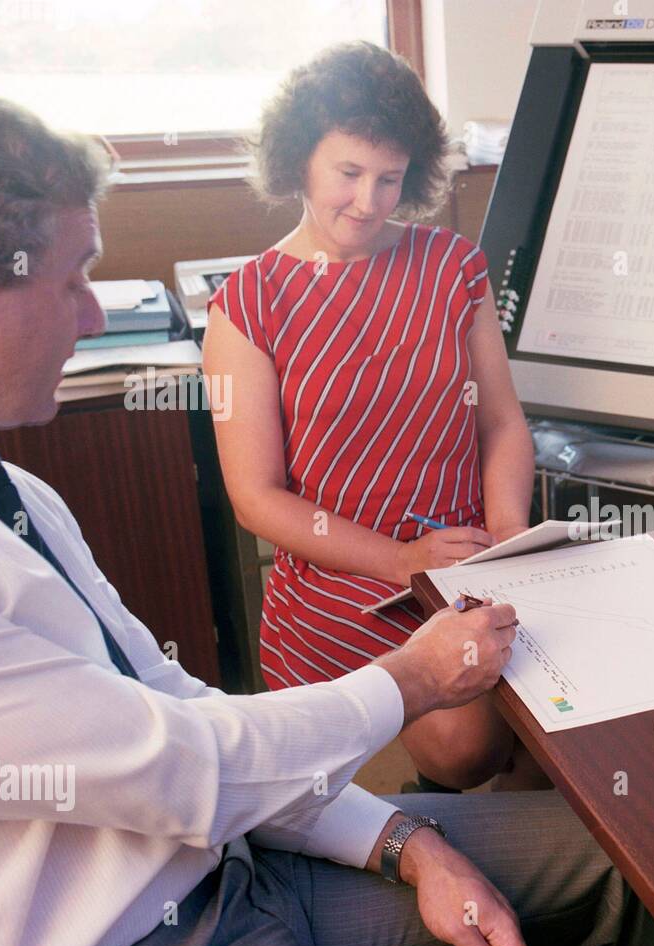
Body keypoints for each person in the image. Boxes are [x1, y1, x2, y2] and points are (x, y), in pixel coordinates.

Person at [0, 89, 654, 946]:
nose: (90, 312)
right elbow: (192, 766)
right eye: (75, 277)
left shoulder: (15, 495)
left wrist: (407, 846)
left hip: (236, 866)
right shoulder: (253, 304)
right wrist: (411, 677)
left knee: (637, 859)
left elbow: (184, 712)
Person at [204, 42, 539, 792]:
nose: (368, 201)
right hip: (344, 576)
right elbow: (256, 497)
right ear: (300, 162)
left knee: (563, 717)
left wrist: (510, 536)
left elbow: (502, 424)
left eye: (389, 179)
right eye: (348, 174)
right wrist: (400, 561)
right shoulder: (248, 305)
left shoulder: (455, 268)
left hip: (464, 557)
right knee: (463, 745)